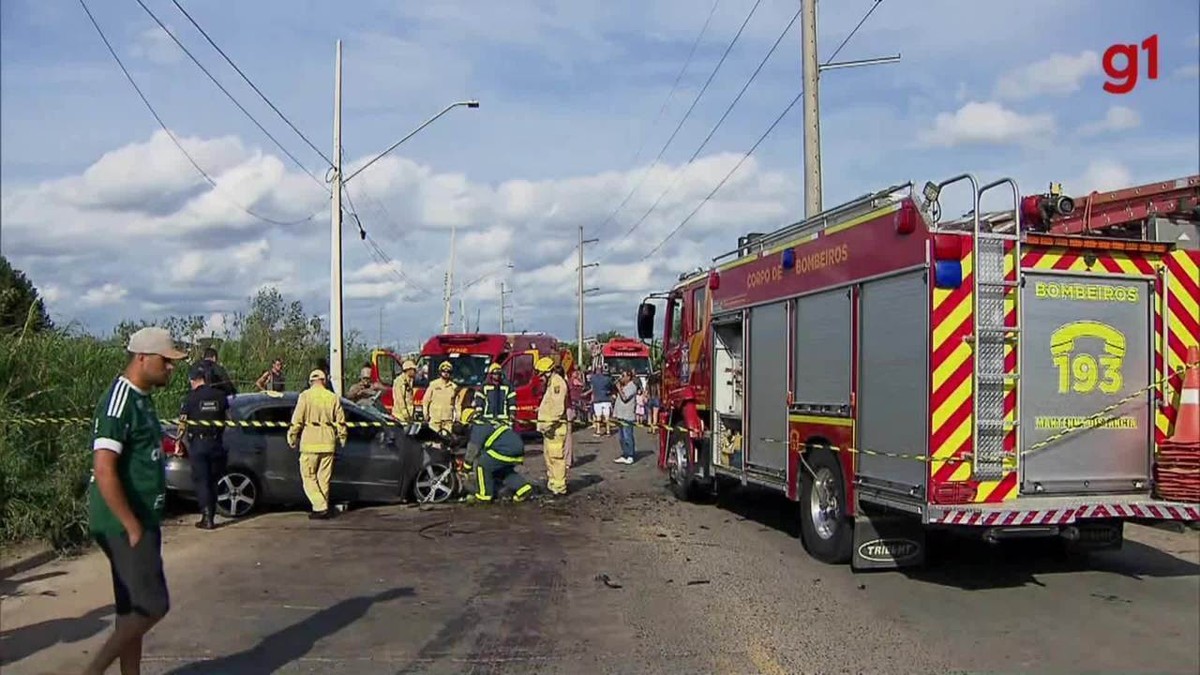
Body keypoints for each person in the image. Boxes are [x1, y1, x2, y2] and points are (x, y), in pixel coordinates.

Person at [83, 327, 185, 675]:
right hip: (123, 521)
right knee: (151, 606)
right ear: (142, 358)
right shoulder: (119, 402)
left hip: (142, 517)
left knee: (131, 611)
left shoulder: (142, 397)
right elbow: (104, 468)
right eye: (165, 361)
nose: (171, 368)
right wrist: (131, 524)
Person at [286, 369, 347, 519]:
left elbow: (297, 420)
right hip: (328, 441)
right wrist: (342, 438)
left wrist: (292, 437)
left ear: (310, 381)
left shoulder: (305, 396)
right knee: (323, 478)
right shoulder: (332, 397)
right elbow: (341, 422)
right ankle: (320, 509)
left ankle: (320, 506)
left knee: (308, 477)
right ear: (324, 381)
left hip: (310, 441)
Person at [177, 364, 230, 530]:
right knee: (213, 481)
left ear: (192, 380)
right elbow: (230, 418)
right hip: (216, 443)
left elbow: (183, 422)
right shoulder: (221, 396)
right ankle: (211, 514)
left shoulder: (190, 398)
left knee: (202, 481)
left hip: (199, 444)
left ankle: (207, 517)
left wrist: (178, 441)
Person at [459, 407, 534, 503]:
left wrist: (466, 466)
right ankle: (523, 488)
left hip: (505, 450)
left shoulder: (477, 427)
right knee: (501, 470)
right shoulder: (490, 421)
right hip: (517, 448)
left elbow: (473, 450)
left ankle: (484, 496)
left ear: (469, 422)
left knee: (482, 464)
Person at [535, 356, 570, 496]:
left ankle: (560, 488)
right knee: (549, 457)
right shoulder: (551, 383)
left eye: (540, 375)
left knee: (556, 458)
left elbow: (557, 409)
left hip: (555, 429)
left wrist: (547, 424)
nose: (540, 378)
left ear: (546, 372)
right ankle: (553, 484)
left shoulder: (557, 384)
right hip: (550, 429)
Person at [424, 361, 459, 435]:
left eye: (448, 371)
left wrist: (458, 416)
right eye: (443, 371)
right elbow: (426, 401)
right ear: (440, 372)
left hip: (448, 420)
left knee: (447, 440)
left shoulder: (454, 387)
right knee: (435, 441)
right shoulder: (433, 385)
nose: (446, 373)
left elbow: (457, 404)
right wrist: (425, 414)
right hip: (435, 419)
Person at [613, 370, 638, 464]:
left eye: (623, 376)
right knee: (621, 437)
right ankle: (625, 454)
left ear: (628, 377)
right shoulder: (625, 386)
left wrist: (619, 388)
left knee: (628, 436)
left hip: (627, 416)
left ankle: (630, 455)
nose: (621, 378)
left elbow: (625, 398)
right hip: (620, 415)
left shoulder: (632, 387)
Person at [587, 365, 614, 436]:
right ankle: (608, 431)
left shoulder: (593, 378)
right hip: (606, 399)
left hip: (597, 400)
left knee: (598, 416)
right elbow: (611, 387)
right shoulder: (607, 379)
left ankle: (598, 431)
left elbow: (591, 387)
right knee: (607, 416)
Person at [392, 359, 418, 423]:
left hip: (409, 415)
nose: (415, 371)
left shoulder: (410, 381)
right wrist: (405, 413)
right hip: (401, 416)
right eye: (413, 369)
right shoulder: (399, 382)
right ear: (408, 370)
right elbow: (400, 399)